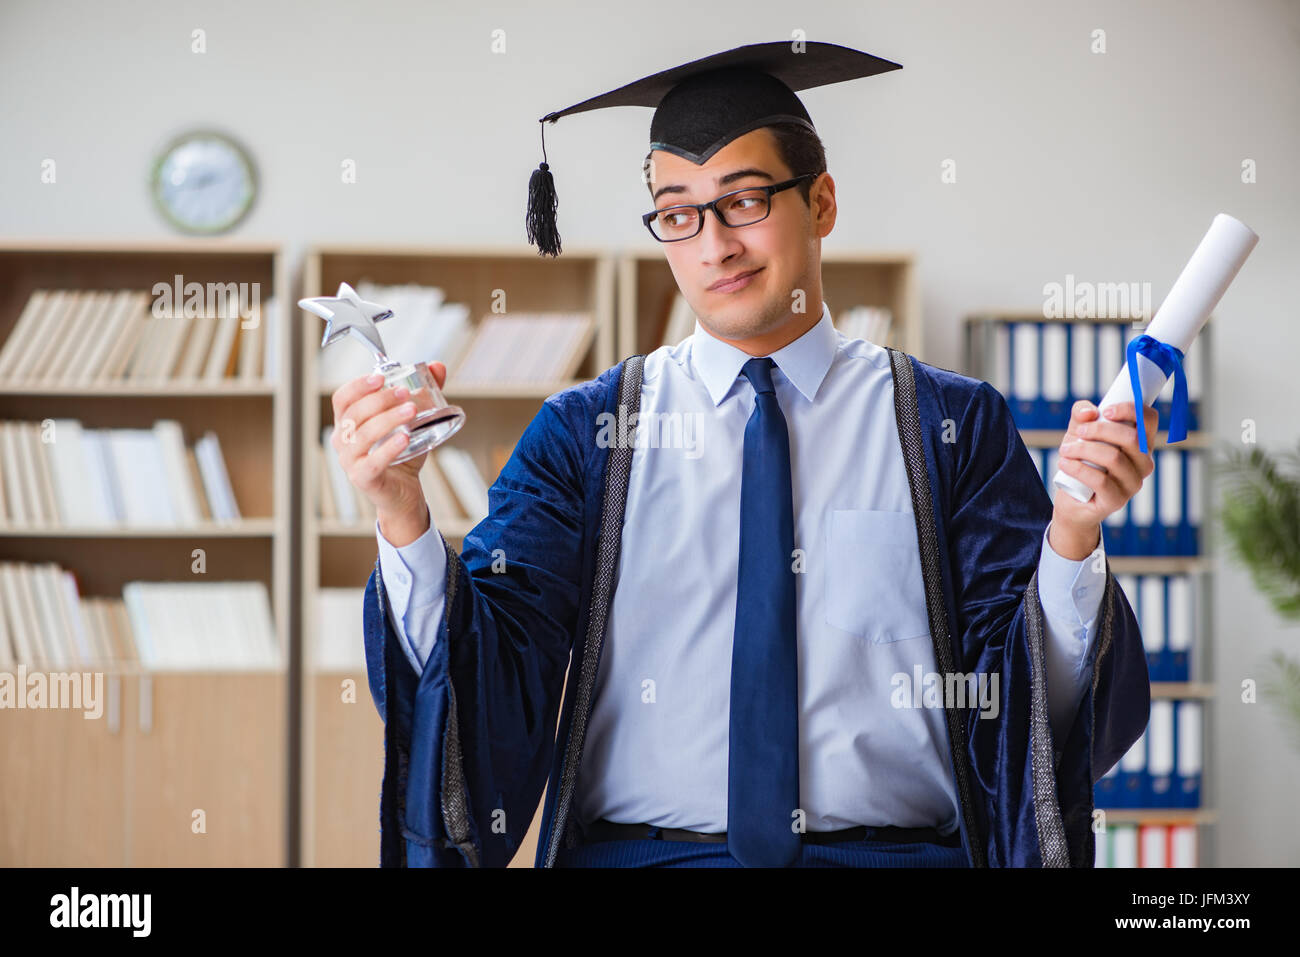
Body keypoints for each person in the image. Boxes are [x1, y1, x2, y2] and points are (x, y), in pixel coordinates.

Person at [331, 41, 1152, 868]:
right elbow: (485, 677)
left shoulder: (949, 425)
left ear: (822, 202)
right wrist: (402, 513)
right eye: (678, 214)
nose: (714, 246)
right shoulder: (584, 436)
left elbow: (1026, 709)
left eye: (746, 201)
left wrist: (1073, 536)